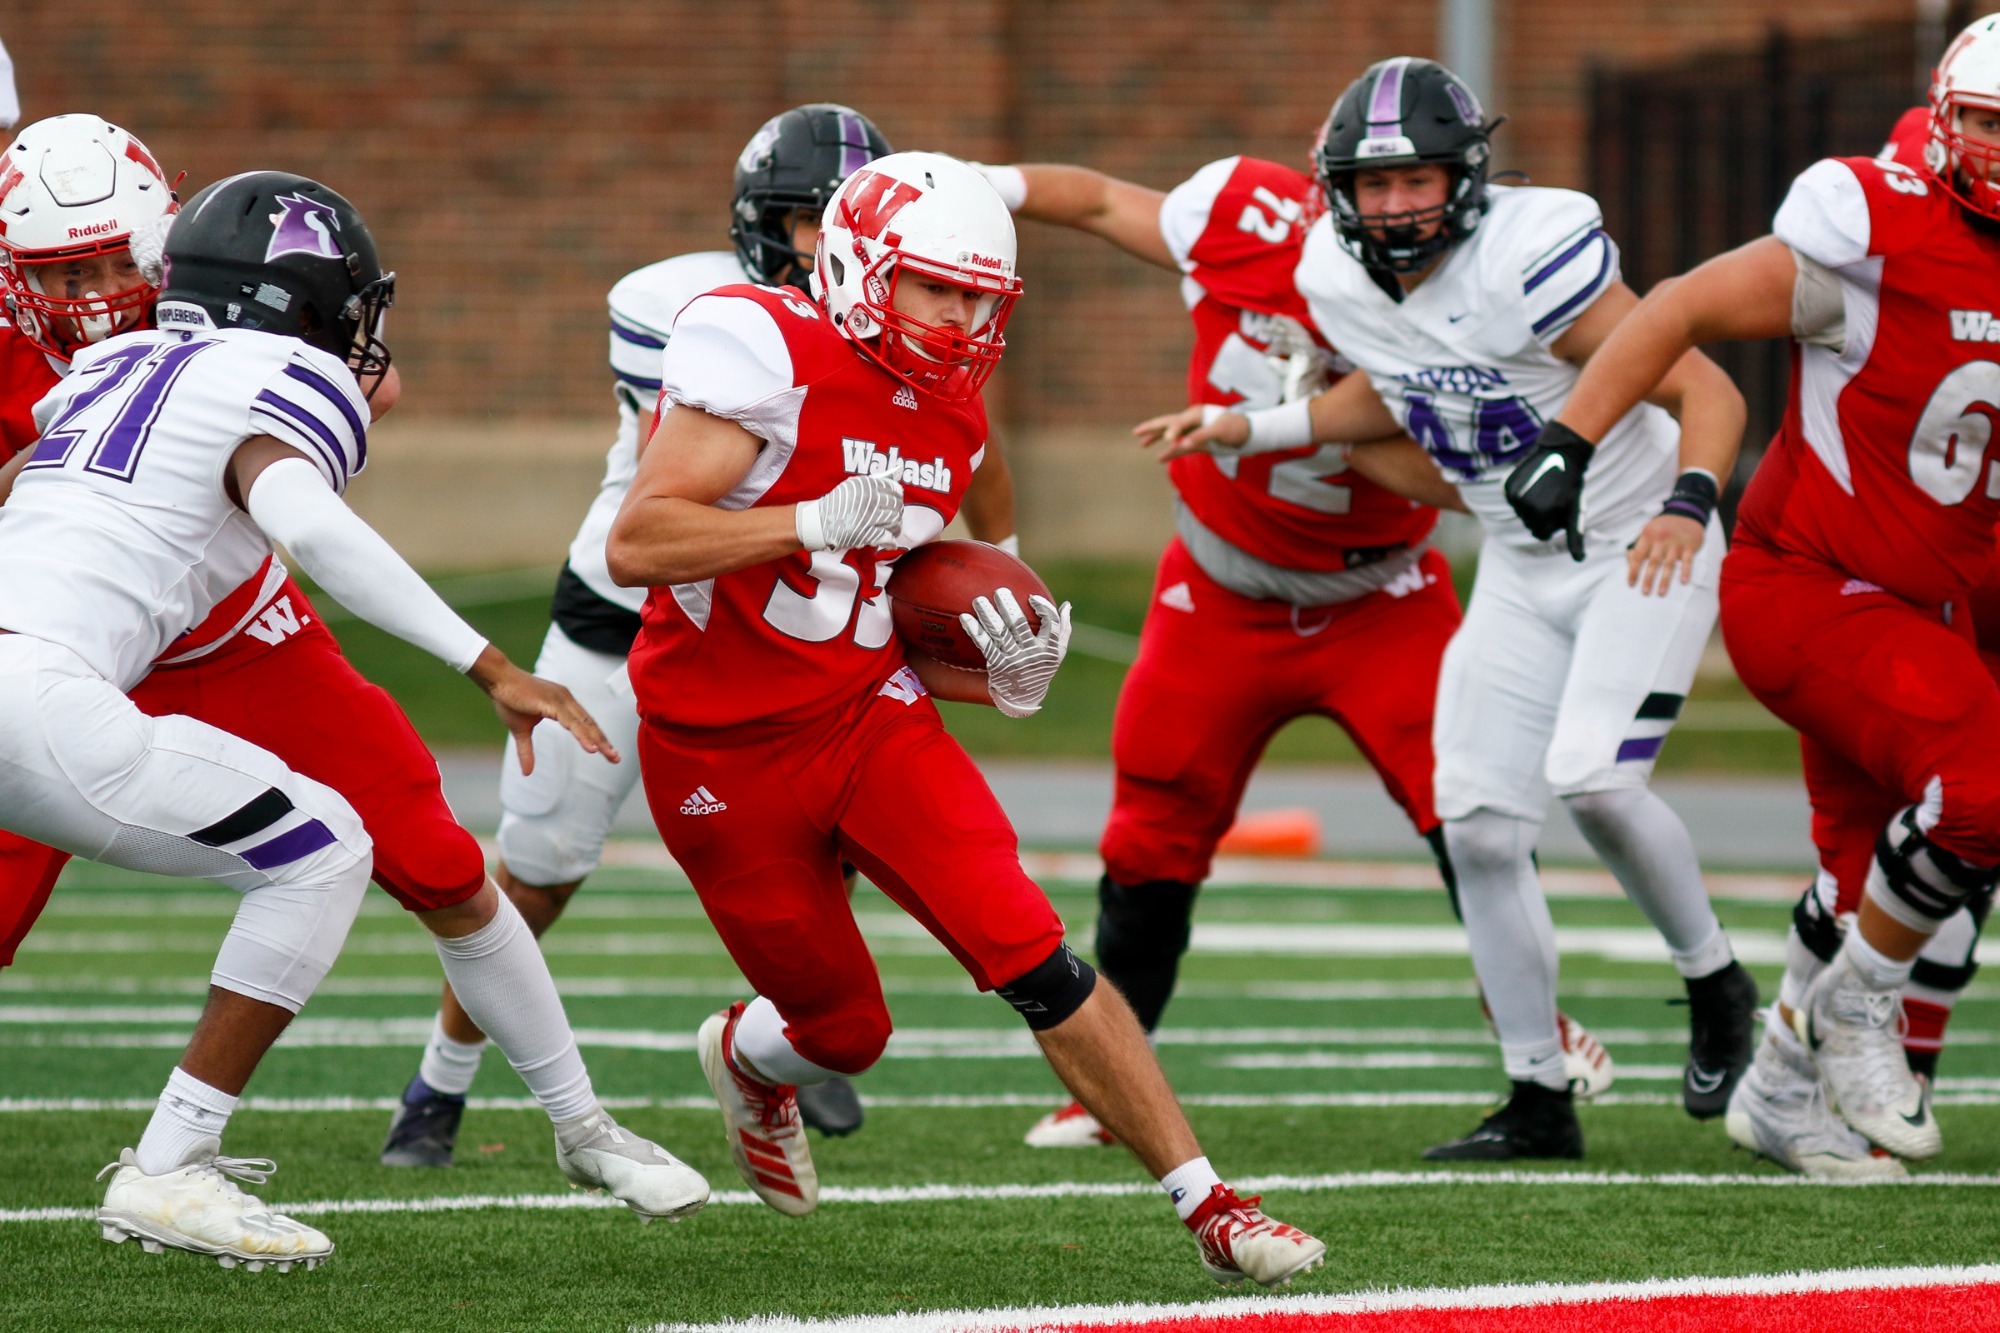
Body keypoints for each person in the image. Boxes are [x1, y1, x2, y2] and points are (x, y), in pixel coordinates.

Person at [607, 150, 1323, 1287]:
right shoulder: (761, 350)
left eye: (978, 295)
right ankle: (752, 1055)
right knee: (846, 1033)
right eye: (934, 288)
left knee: (1031, 949)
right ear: (855, 270)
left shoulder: (953, 416)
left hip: (862, 717)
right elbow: (637, 542)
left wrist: (1000, 657)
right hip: (715, 749)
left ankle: (1211, 1205)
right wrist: (803, 520)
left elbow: (928, 575)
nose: (960, 317)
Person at [0, 167, 710, 1267]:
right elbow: (311, 528)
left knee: (389, 848)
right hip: (54, 694)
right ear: (301, 302)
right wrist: (488, 666)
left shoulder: (100, 370)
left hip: (89, 663)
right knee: (323, 849)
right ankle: (171, 1162)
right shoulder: (273, 371)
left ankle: (582, 1125)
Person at [1141, 57, 1757, 1160]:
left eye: (1414, 181)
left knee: (1592, 782)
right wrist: (1248, 429)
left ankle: (1713, 982)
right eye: (1370, 188)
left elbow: (1702, 386)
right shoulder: (1334, 274)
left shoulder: (1530, 253)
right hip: (1521, 564)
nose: (1391, 207)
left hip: (1636, 540)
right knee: (1474, 824)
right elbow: (1403, 379)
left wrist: (1687, 501)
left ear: (1464, 175)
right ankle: (1535, 1095)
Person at [380, 103, 1007, 1164]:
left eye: (834, 217)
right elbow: (694, 494)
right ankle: (437, 1084)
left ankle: (795, 1044)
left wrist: (1005, 557)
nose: (818, 241)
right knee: (538, 871)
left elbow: (971, 453)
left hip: (792, 630)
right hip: (631, 616)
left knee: (826, 845)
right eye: (799, 220)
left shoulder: (910, 327)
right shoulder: (695, 310)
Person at [974, 149, 1608, 1148]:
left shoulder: (1465, 293)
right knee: (1149, 830)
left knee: (1470, 811)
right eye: (1371, 192)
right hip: (1219, 591)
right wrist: (975, 184)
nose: (1396, 221)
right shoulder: (1245, 217)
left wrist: (1317, 419)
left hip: (1380, 594)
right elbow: (1097, 197)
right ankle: (1107, 1088)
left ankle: (1528, 1029)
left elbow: (1463, 479)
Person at [1534, 14, 2000, 1176]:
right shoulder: (1874, 228)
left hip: (1931, 602)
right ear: (1945, 119)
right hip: (1812, 586)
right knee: (1984, 792)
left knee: (1870, 883)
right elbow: (1683, 303)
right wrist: (1569, 436)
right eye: (1989, 123)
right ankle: (1852, 1011)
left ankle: (1780, 1093)